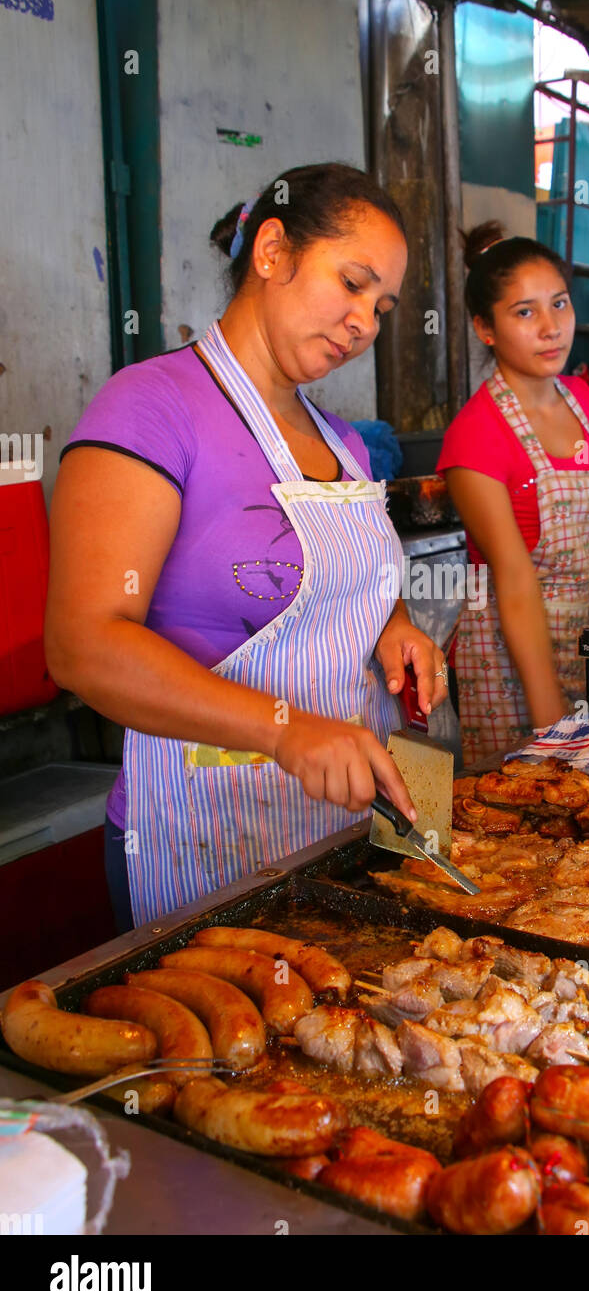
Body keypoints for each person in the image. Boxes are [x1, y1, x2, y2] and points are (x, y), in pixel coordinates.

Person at [45, 163, 447, 930]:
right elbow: (82, 645)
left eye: (384, 306)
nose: (366, 321)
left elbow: (349, 579)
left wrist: (393, 624)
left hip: (340, 834)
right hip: (205, 837)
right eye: (354, 284)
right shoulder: (150, 407)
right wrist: (285, 728)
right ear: (272, 251)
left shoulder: (342, 442)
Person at [437, 221, 589, 766]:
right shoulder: (476, 436)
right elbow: (514, 576)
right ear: (485, 328)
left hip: (580, 627)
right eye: (525, 312)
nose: (551, 328)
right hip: (508, 649)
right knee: (528, 807)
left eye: (560, 305)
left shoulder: (579, 400)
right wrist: (549, 717)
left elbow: (575, 526)